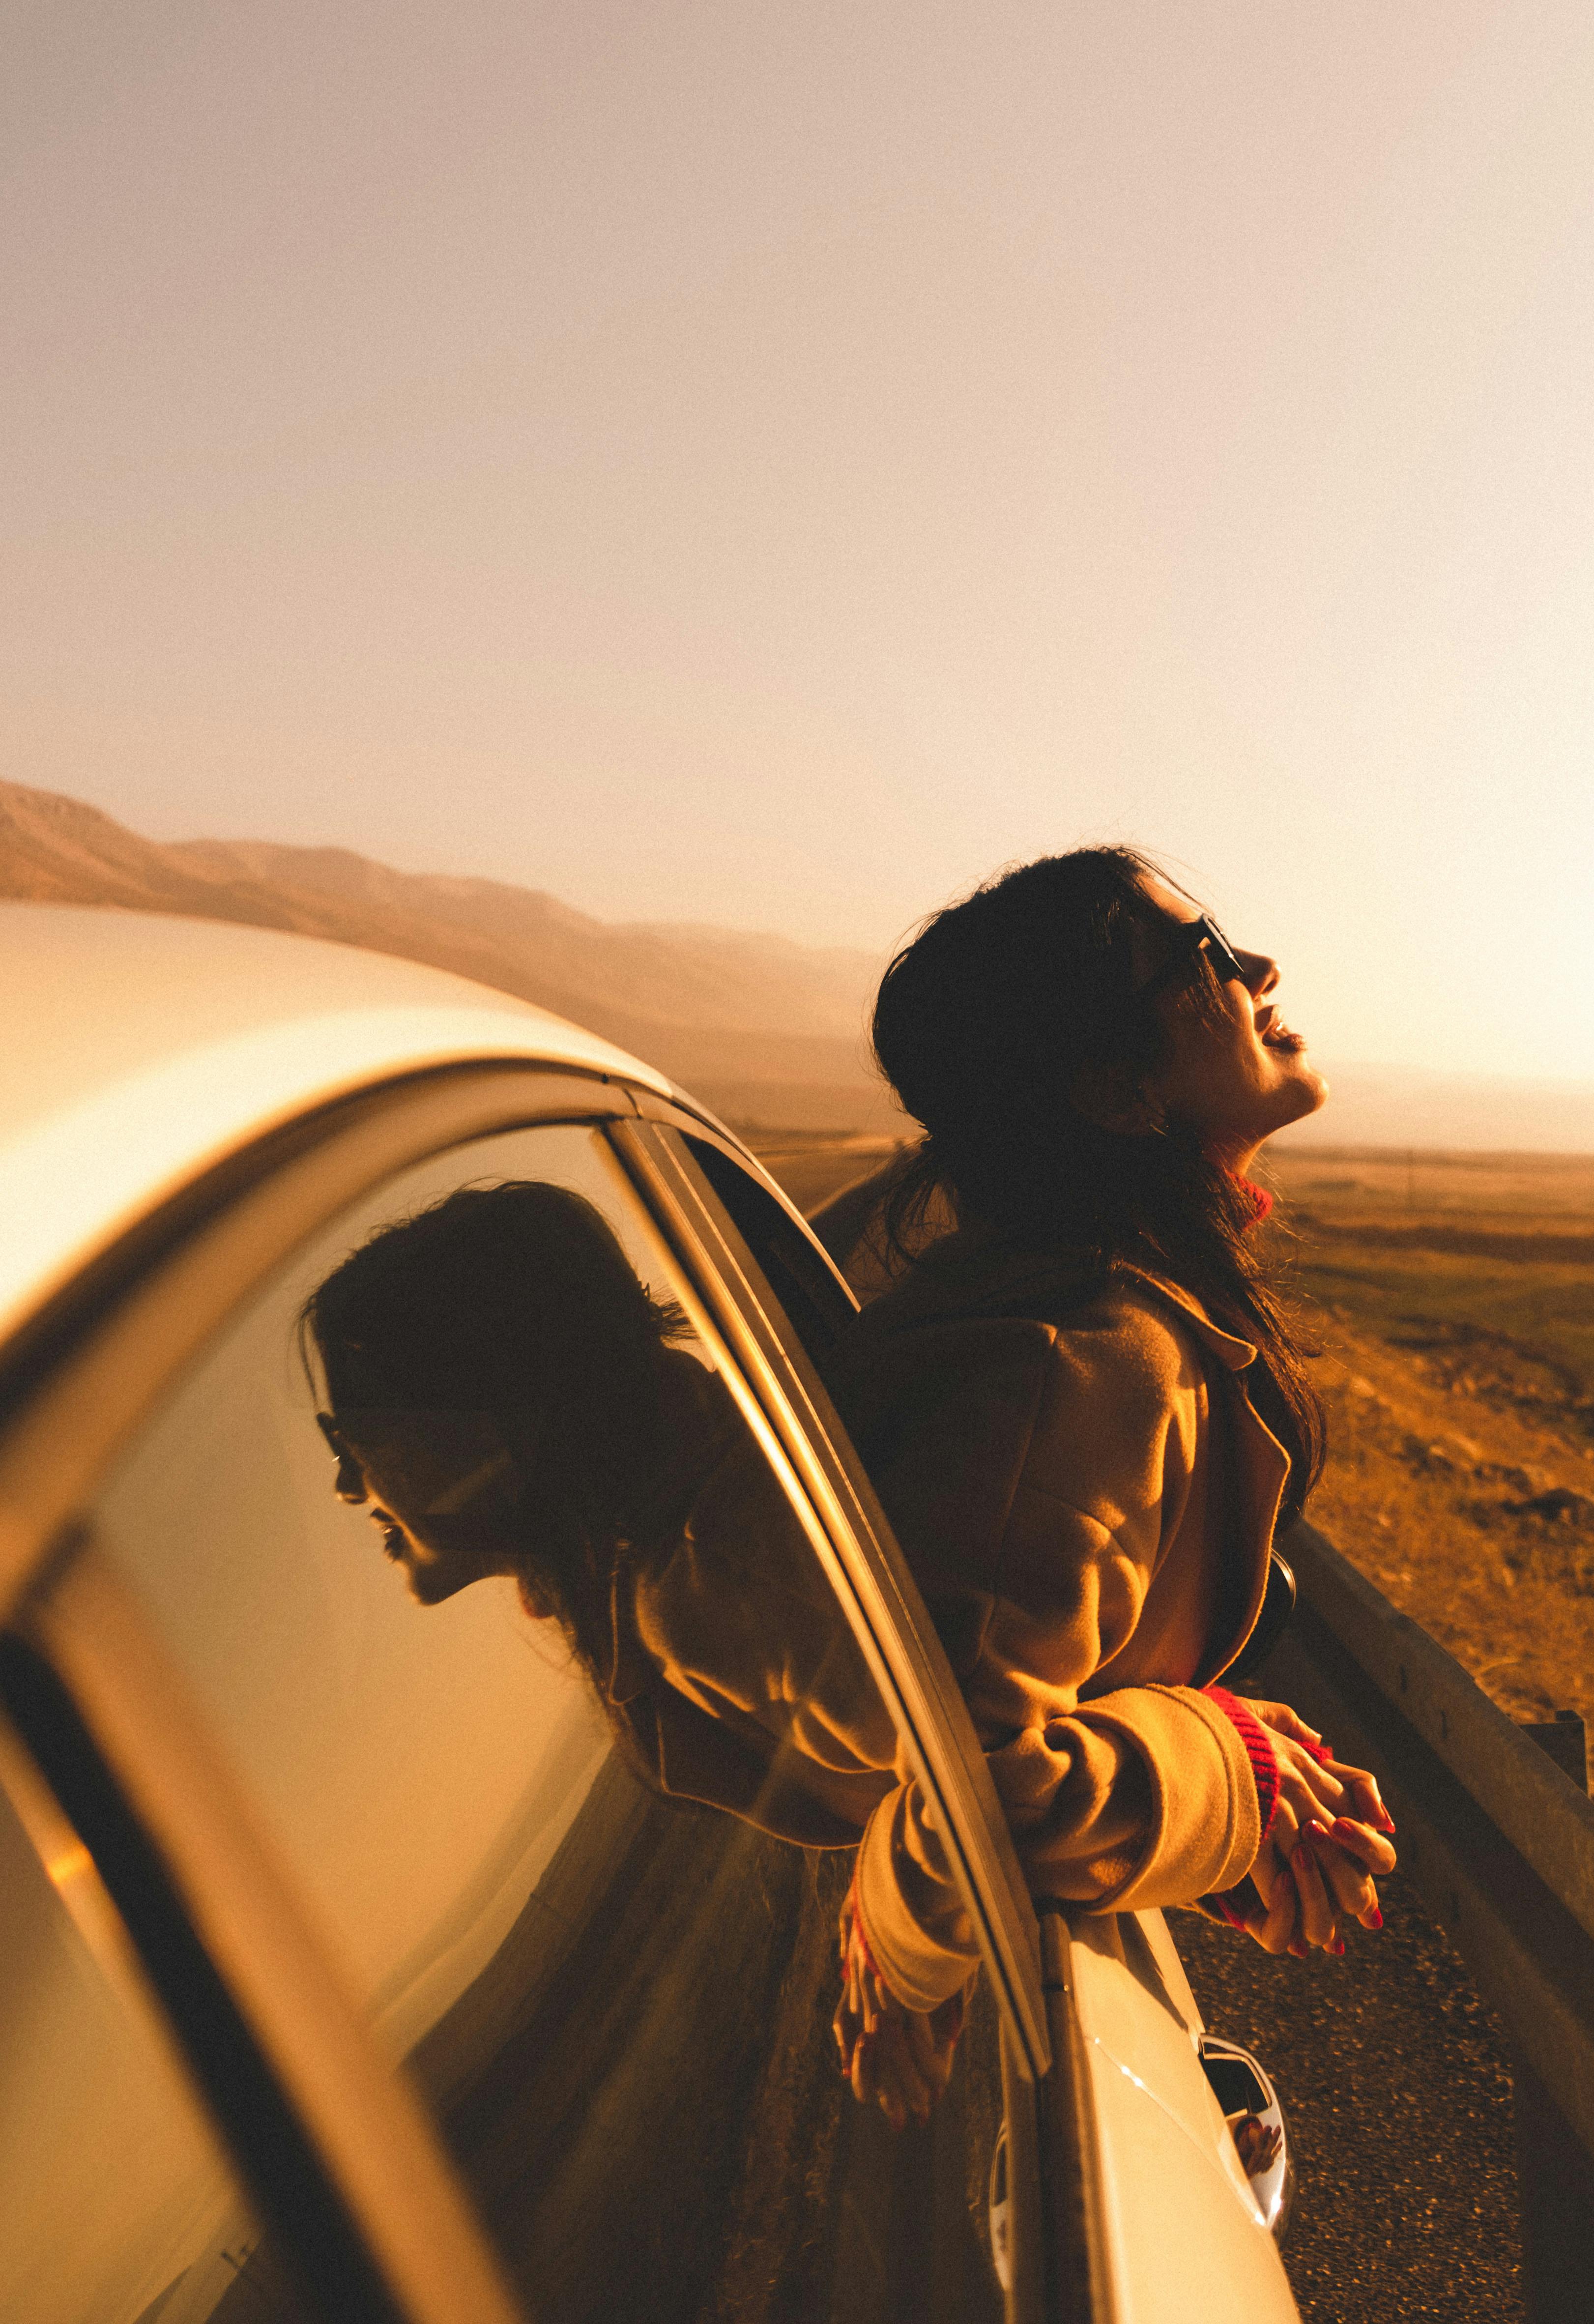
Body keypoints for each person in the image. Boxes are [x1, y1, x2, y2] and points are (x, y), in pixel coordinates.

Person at [826, 845, 1397, 2109]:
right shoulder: (1080, 1364)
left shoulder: (1075, 1309)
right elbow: (971, 1806)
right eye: (1195, 956)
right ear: (1114, 1092)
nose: (1254, 968)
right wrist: (1223, 1772)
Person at [302, 1180, 901, 1848]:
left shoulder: (724, 1590)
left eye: (350, 1435)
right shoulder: (680, 1554)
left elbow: (997, 1807)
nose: (345, 1487)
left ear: (481, 1415)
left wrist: (878, 1933)